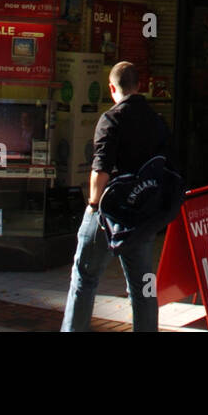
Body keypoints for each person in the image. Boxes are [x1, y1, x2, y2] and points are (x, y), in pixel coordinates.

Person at [62, 60, 170, 332]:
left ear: (112, 88)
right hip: (141, 213)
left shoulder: (111, 119)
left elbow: (101, 170)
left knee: (84, 277)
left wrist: (92, 206)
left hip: (108, 213)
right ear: (140, 85)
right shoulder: (157, 122)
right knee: (143, 285)